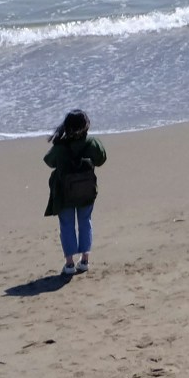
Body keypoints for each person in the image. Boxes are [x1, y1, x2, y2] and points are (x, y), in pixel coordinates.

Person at [44, 109, 105, 276]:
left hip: (64, 193)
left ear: (67, 126)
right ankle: (85, 260)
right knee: (85, 221)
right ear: (86, 125)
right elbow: (101, 159)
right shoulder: (92, 143)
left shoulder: (60, 146)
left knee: (67, 225)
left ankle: (69, 264)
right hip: (86, 190)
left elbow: (49, 161)